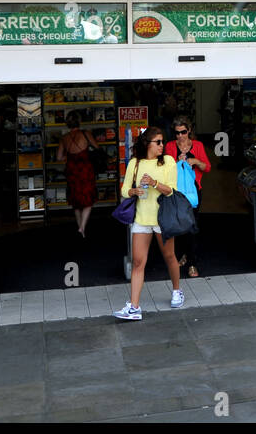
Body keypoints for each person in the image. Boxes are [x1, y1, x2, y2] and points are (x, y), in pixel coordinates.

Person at [114, 126, 182, 320]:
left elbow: (171, 190)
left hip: (162, 218)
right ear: (147, 144)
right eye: (158, 142)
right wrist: (133, 191)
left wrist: (154, 183)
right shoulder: (134, 163)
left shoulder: (168, 161)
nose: (162, 145)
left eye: (162, 142)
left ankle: (177, 289)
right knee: (138, 262)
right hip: (142, 218)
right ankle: (134, 307)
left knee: (169, 256)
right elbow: (124, 189)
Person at [166, 114, 211, 278]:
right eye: (177, 133)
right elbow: (166, 169)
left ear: (189, 130)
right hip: (177, 192)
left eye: (183, 132)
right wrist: (175, 162)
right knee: (180, 226)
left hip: (193, 192)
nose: (180, 136)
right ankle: (186, 254)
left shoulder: (197, 145)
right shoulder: (170, 146)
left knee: (192, 226)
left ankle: (192, 263)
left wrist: (196, 161)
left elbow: (207, 167)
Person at [56, 111, 100, 237]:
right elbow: (97, 147)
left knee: (76, 201)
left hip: (72, 171)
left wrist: (68, 155)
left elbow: (59, 157)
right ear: (79, 122)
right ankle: (82, 227)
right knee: (88, 199)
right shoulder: (86, 134)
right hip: (85, 169)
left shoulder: (64, 138)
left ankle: (80, 228)